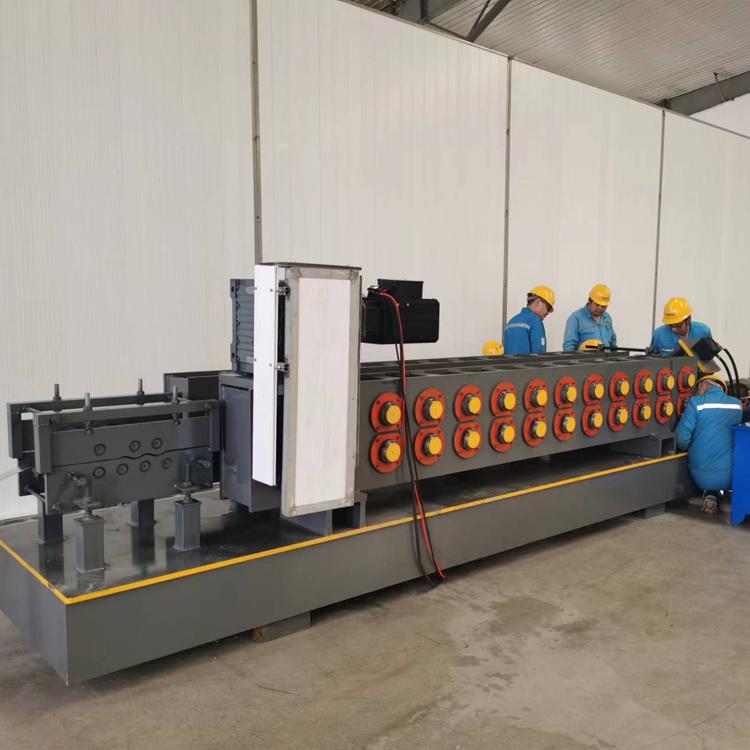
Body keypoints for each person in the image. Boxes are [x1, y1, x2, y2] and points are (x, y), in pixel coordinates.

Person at [675, 374, 744, 514]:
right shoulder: (737, 405)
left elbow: (681, 438)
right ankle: (714, 494)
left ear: (703, 385)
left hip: (701, 475)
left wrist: (686, 449)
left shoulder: (696, 403)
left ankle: (710, 493)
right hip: (732, 475)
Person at [563, 284, 617, 352]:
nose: (600, 308)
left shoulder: (607, 317)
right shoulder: (575, 319)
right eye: (597, 304)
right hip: (586, 359)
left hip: (607, 358)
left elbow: (613, 342)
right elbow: (568, 348)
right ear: (589, 301)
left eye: (604, 306)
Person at [503, 286, 555, 355]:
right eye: (548, 308)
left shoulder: (511, 321)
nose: (548, 312)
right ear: (538, 302)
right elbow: (539, 353)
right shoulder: (535, 320)